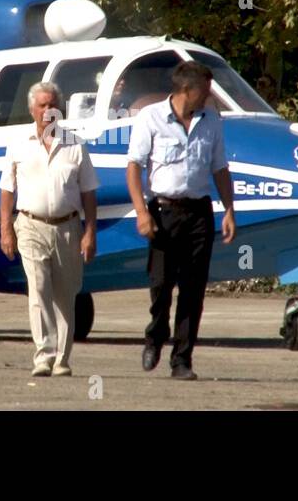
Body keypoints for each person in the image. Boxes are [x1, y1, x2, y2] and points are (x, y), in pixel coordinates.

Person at [125, 60, 236, 380]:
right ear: (187, 89)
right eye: (205, 89)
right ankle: (155, 335)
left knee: (193, 288)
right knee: (160, 285)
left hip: (199, 213)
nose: (209, 95)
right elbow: (134, 168)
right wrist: (142, 213)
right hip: (163, 212)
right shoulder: (151, 117)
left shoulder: (212, 120)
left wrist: (229, 210)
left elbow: (220, 169)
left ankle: (182, 359)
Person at [0, 81, 99, 377]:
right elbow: (7, 190)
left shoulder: (76, 145)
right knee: (38, 288)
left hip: (67, 227)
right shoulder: (17, 144)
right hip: (29, 224)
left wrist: (90, 232)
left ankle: (62, 359)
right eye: (42, 105)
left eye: (52, 105)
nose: (47, 111)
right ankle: (44, 354)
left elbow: (89, 193)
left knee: (65, 294)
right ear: (32, 109)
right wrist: (6, 229)